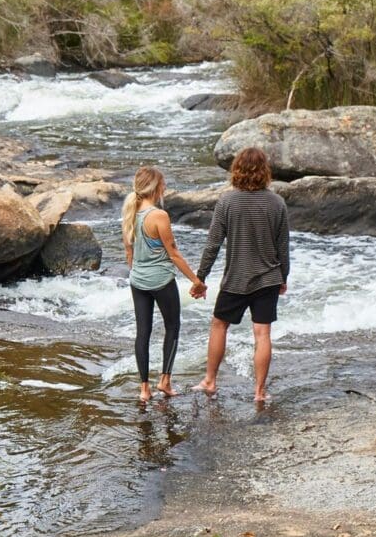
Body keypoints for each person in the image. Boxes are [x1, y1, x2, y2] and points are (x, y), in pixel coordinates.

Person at [194, 147, 291, 403]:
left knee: (219, 326)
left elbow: (213, 244)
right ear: (264, 171)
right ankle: (259, 391)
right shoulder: (277, 203)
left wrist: (201, 277)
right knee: (262, 333)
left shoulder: (227, 202)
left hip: (236, 279)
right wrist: (283, 277)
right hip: (268, 278)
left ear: (236, 169)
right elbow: (283, 247)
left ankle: (210, 381)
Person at [122, 166, 206, 403]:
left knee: (143, 333)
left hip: (137, 281)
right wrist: (196, 281)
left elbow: (128, 253)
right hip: (161, 281)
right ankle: (165, 381)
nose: (165, 187)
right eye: (163, 183)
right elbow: (174, 253)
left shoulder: (129, 213)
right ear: (154, 187)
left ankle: (144, 389)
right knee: (172, 327)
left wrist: (139, 273)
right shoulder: (159, 216)